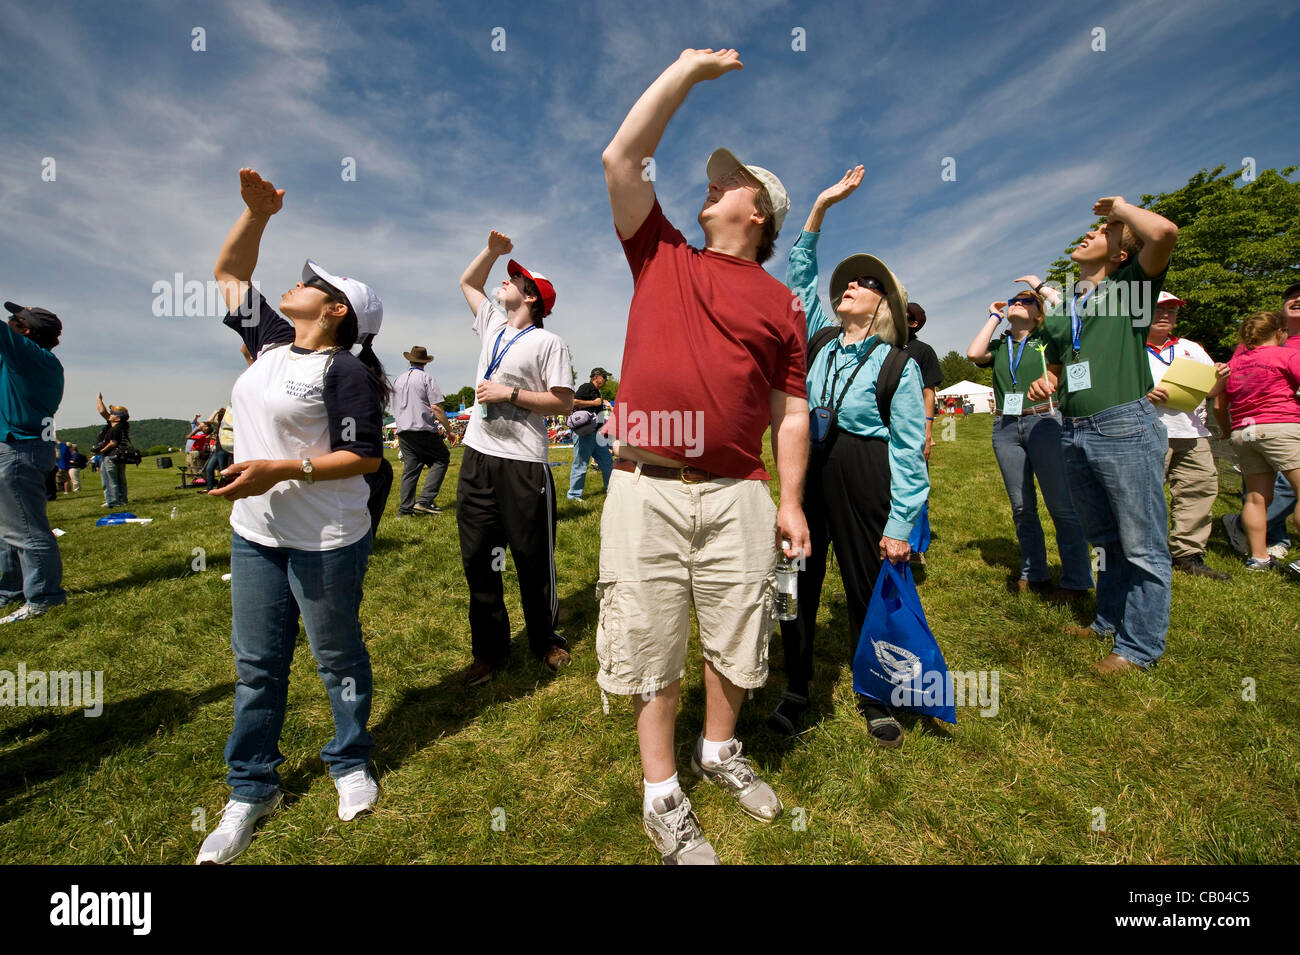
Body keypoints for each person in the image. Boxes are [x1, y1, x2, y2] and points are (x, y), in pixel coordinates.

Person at [601, 48, 811, 865]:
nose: (708, 188)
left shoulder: (784, 301)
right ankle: (663, 794)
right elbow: (622, 157)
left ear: (756, 211)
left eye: (726, 183)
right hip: (645, 483)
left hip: (739, 492)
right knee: (652, 639)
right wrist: (685, 73)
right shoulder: (659, 252)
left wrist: (790, 500)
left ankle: (718, 750)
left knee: (737, 634)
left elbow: (790, 410)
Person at [196, 168, 388, 865]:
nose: (296, 280)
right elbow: (227, 272)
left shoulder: (343, 371)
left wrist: (282, 468)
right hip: (256, 534)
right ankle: (251, 787)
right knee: (257, 664)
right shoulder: (275, 342)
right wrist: (257, 215)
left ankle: (349, 757)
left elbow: (363, 458)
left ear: (336, 311)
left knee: (335, 654)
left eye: (313, 280)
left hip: (326, 537)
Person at [768, 165, 928, 746]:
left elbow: (910, 450)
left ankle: (875, 693)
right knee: (796, 579)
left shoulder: (897, 365)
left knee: (866, 586)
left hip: (865, 472)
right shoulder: (818, 336)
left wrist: (900, 522)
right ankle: (796, 685)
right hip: (809, 466)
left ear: (881, 302)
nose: (849, 287)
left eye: (862, 283)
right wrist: (819, 209)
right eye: (847, 282)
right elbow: (800, 276)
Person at [1027, 195, 1179, 675]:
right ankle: (1106, 622)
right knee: (1104, 539)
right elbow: (1058, 362)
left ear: (1120, 255)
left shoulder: (1133, 287)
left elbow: (1164, 233)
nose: (1091, 232)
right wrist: (1047, 379)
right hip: (1073, 429)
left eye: (1106, 231)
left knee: (1142, 543)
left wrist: (1122, 208)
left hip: (1123, 425)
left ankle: (1139, 648)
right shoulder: (1068, 306)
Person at [456, 231, 575, 687]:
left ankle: (545, 641)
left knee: (531, 557)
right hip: (478, 458)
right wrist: (491, 251)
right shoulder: (491, 324)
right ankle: (489, 650)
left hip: (525, 464)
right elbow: (468, 282)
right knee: (480, 559)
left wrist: (511, 393)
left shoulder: (549, 343)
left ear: (531, 296)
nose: (502, 283)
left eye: (513, 279)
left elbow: (563, 402)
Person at [967, 281, 1093, 598]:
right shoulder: (999, 347)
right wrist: (994, 317)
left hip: (1045, 420)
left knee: (1061, 505)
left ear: (1039, 314)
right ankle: (1034, 572)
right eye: (1014, 300)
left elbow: (1070, 326)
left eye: (1027, 301)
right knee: (1022, 507)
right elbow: (973, 353)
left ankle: (1077, 579)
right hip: (1006, 427)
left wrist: (1043, 292)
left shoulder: (1046, 339)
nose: (1018, 302)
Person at [1142, 291, 1229, 580]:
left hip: (1192, 431)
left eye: (1172, 310)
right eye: (1159, 309)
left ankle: (1188, 553)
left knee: (1198, 489)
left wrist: (1219, 377)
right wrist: (1142, 395)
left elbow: (1212, 392)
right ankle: (1143, 551)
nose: (1166, 315)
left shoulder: (1191, 348)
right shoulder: (1129, 347)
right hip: (1147, 429)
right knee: (1144, 494)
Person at [1210, 310, 1300, 572]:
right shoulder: (1288, 354)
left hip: (1243, 433)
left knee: (1256, 498)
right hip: (1281, 427)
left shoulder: (1233, 364)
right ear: (1280, 332)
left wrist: (1226, 432)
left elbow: (1218, 405)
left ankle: (1258, 559)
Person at [0, 301, 67, 624]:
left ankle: (44, 598)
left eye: (16, 319)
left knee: (26, 528)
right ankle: (10, 590)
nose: (9, 320)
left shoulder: (26, 355)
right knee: (8, 528)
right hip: (24, 448)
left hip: (18, 449)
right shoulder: (34, 359)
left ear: (26, 332)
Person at [392, 345, 454, 516]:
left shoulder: (399, 379)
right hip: (422, 428)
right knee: (441, 459)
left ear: (410, 360)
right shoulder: (426, 378)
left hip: (404, 430)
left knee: (411, 468)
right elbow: (436, 407)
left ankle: (405, 510)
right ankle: (425, 500)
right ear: (425, 362)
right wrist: (449, 430)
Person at [902, 302, 942, 567]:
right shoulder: (880, 345)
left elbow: (929, 392)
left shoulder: (922, 351)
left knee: (914, 487)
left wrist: (927, 432)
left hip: (913, 428)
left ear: (913, 323)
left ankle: (915, 549)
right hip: (881, 427)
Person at [567, 367, 614, 500]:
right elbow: (573, 402)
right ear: (596, 377)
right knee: (581, 464)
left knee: (607, 462)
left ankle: (610, 489)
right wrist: (594, 402)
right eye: (604, 377)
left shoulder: (597, 392)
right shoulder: (586, 387)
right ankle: (574, 496)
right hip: (584, 434)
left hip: (596, 434)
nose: (606, 380)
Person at [92, 395, 131, 508]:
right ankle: (122, 499)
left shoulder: (115, 427)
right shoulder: (123, 426)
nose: (110, 414)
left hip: (111, 455)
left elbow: (102, 411)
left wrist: (99, 399)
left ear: (118, 418)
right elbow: (104, 411)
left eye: (113, 413)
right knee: (120, 478)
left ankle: (113, 501)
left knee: (110, 480)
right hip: (120, 456)